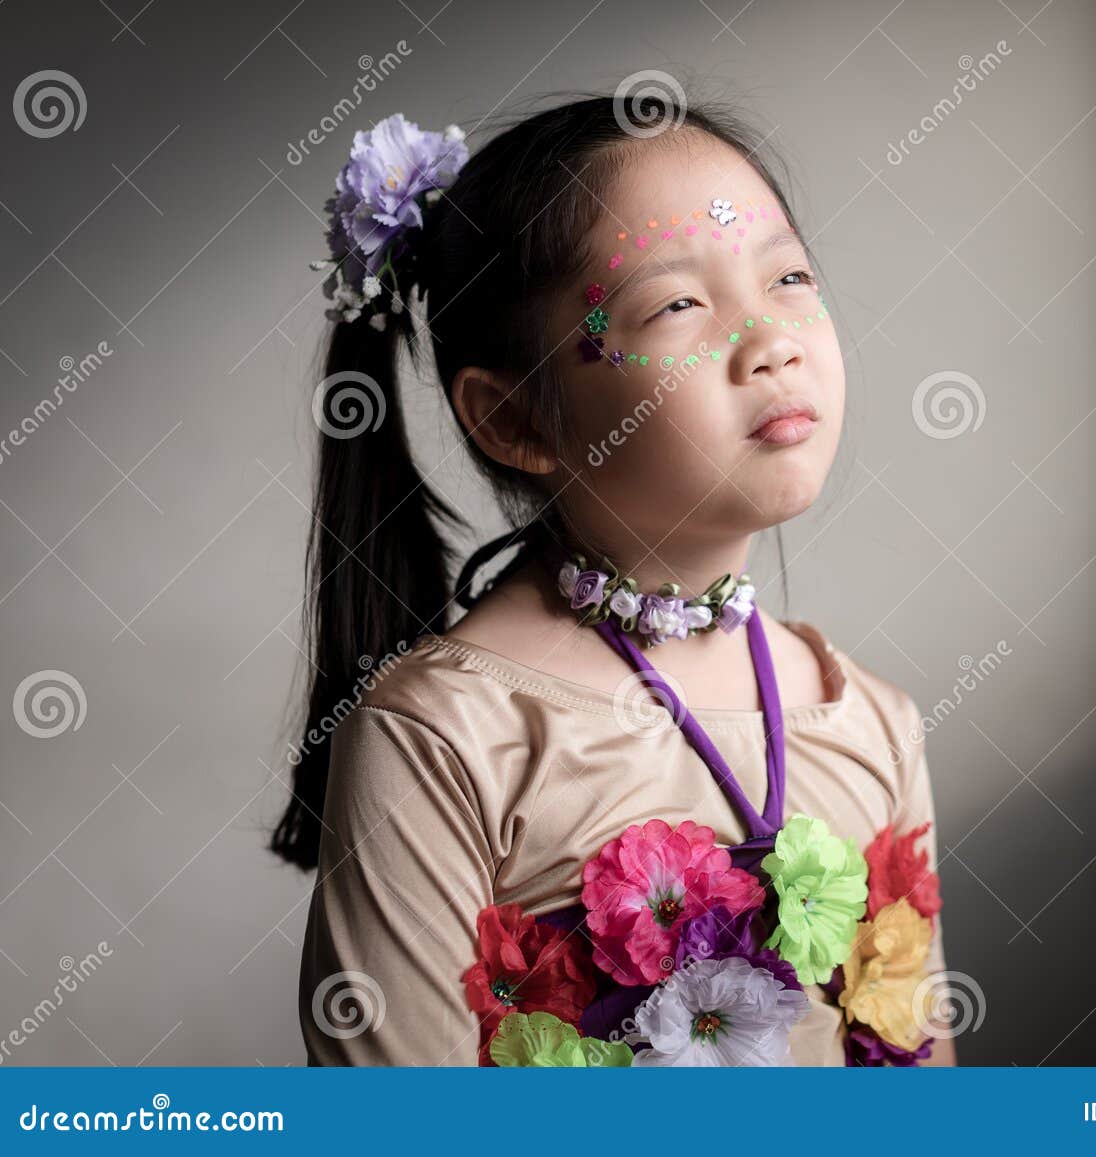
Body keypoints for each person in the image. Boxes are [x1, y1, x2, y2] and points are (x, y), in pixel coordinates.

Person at [271, 94, 951, 1066]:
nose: (771, 340)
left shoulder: (875, 721)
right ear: (514, 420)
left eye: (791, 276)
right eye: (678, 304)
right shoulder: (445, 733)